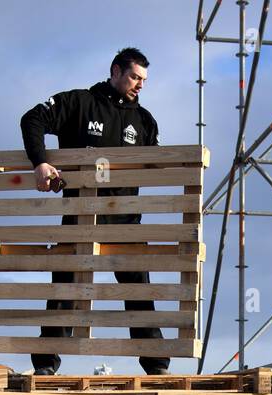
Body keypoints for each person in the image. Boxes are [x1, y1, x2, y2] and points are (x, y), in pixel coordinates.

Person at [20, 47, 169, 376]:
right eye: (134, 76)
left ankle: (157, 366)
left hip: (126, 221)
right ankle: (45, 364)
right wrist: (41, 163)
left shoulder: (144, 121)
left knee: (139, 291)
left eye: (144, 80)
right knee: (65, 288)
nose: (140, 85)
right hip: (80, 217)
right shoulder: (79, 103)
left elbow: (159, 163)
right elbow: (32, 119)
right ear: (115, 71)